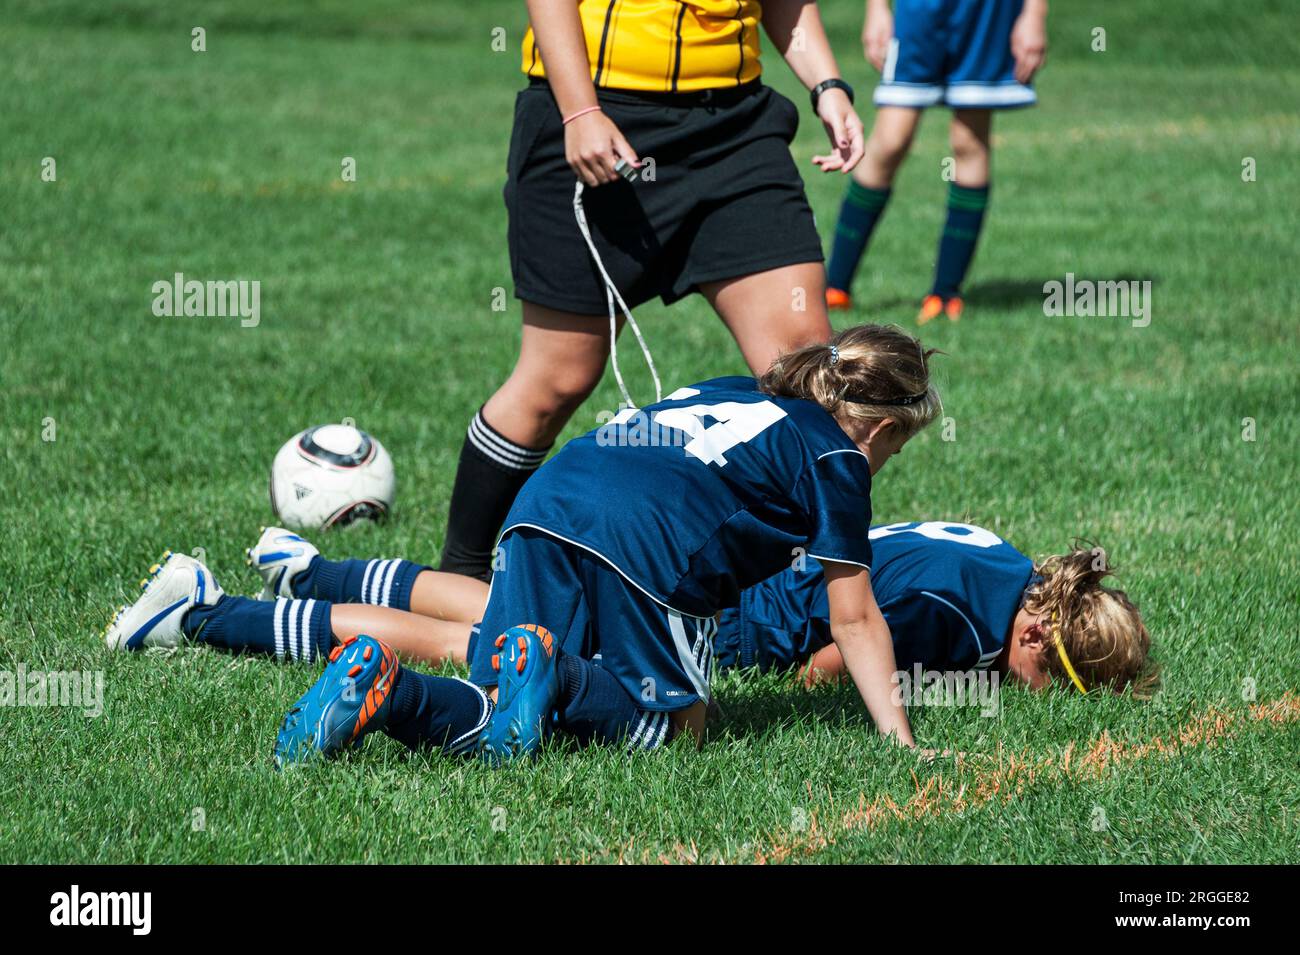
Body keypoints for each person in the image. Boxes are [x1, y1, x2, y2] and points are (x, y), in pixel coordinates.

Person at [106, 325, 941, 763]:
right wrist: (899, 741)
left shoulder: (741, 389)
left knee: (507, 702)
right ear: (878, 430)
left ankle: (363, 683)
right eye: (898, 446)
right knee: (683, 727)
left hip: (551, 496)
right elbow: (855, 617)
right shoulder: (838, 457)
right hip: (649, 550)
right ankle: (563, 671)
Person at [439, 0, 870, 582]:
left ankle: (794, 591)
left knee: (807, 371)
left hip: (734, 132)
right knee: (556, 379)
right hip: (599, 119)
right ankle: (460, 575)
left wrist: (828, 86)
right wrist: (579, 110)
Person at [715, 520, 1156, 697]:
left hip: (761, 563)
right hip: (749, 623)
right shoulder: (950, 616)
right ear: (1036, 635)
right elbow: (834, 660)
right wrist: (794, 700)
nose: (1041, 695)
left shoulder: (1013, 572)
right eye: (1053, 682)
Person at [824, 0, 1048, 323]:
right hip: (920, 11)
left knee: (969, 142)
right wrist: (877, 10)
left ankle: (945, 295)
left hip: (986, 12)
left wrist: (1034, 14)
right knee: (890, 142)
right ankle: (835, 287)